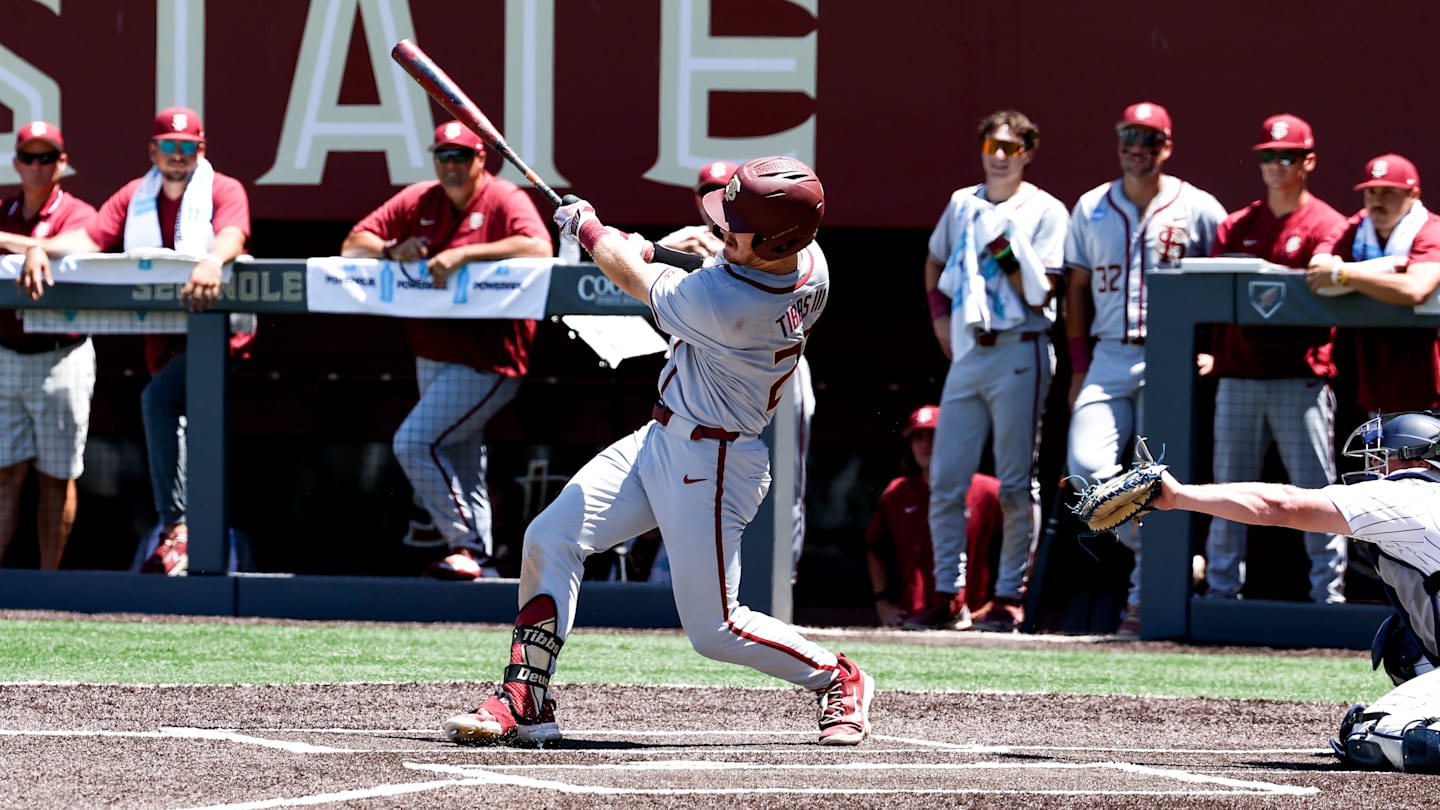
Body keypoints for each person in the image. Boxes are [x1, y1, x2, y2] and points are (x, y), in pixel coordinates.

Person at [440, 156, 873, 748]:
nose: (723, 228)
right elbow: (724, 262)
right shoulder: (808, 260)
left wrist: (589, 228)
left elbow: (636, 280)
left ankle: (838, 677)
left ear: (774, 240)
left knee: (715, 630)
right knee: (550, 537)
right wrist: (666, 253)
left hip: (714, 464)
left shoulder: (727, 304)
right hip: (660, 439)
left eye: (735, 224)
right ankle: (527, 696)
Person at [19, 106, 251, 576]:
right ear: (153, 150)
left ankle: (178, 532)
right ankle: (188, 536)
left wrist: (212, 260)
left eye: (188, 147)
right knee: (180, 421)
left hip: (220, 334)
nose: (179, 155)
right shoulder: (135, 194)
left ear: (200, 151)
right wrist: (40, 246)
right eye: (170, 145)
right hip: (164, 341)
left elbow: (232, 232)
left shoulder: (223, 188)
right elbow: (91, 239)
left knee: (158, 404)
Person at [1152, 411, 1440, 773]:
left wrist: (1178, 495)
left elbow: (1281, 504)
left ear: (1417, 459)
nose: (1374, 468)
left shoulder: (1407, 493)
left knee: (1371, 733)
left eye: (1382, 458)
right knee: (1401, 642)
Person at [342, 121, 553, 580]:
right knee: (459, 454)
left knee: (414, 441)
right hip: (432, 351)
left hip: (488, 357)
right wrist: (393, 248)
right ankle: (482, 562)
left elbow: (539, 248)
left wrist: (465, 255)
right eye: (443, 156)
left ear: (481, 159)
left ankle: (464, 543)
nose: (451, 165)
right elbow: (354, 244)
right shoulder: (421, 198)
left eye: (460, 156)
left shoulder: (503, 198)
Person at [1064, 101, 1226, 637]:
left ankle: (1142, 598)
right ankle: (1173, 563)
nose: (1138, 146)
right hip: (1110, 350)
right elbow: (1078, 290)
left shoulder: (1198, 207)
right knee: (1087, 469)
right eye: (1130, 135)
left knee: (1161, 474)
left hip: (1169, 351)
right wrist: (1079, 367)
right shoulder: (1090, 205)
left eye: (1149, 138)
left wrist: (1213, 346)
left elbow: (1222, 285)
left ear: (1167, 146)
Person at [912, 109, 1068, 633]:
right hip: (968, 348)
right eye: (991, 145)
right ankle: (946, 594)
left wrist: (1004, 254)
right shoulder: (962, 202)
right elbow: (934, 263)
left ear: (1027, 152)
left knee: (1014, 483)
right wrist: (939, 321)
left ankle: (1007, 596)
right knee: (946, 479)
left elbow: (1041, 290)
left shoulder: (1046, 209)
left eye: (1011, 147)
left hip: (1018, 347)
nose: (999, 155)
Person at [1200, 114, 1348, 604]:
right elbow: (1212, 297)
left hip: (1299, 380)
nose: (1276, 165)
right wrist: (1211, 351)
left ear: (1308, 161)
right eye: (1267, 155)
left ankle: (1328, 597)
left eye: (1287, 156)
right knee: (1227, 490)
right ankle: (1221, 594)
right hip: (1239, 376)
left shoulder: (1328, 223)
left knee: (1315, 494)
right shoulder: (1236, 224)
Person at [658, 160, 816, 585]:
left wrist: (653, 252)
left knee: (785, 488)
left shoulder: (739, 279)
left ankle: (782, 582)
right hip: (742, 377)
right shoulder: (806, 256)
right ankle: (676, 577)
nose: (725, 199)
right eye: (712, 189)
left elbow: (712, 293)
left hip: (758, 382)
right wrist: (670, 249)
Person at [0, 122, 97, 570]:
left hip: (62, 356)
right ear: (17, 163)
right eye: (29, 158)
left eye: (47, 158)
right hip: (5, 354)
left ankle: (49, 583)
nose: (37, 167)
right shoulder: (4, 208)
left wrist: (30, 247)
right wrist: (32, 246)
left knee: (56, 478)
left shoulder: (77, 212)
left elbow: (88, 240)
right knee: (4, 477)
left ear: (62, 163)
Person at [1305, 154, 1440, 415]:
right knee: (1382, 455)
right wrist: (1389, 267)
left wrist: (1345, 275)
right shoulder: (1358, 226)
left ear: (1413, 194)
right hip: (1375, 383)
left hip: (1429, 383)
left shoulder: (1430, 229)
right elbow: (1318, 272)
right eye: (1371, 192)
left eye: (1388, 192)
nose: (1377, 201)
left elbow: (1415, 289)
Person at [866, 405, 1003, 627]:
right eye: (917, 437)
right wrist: (882, 603)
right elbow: (875, 548)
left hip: (974, 620)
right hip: (913, 619)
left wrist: (999, 604)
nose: (925, 444)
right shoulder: (897, 492)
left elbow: (1021, 544)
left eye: (934, 435)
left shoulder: (987, 491)